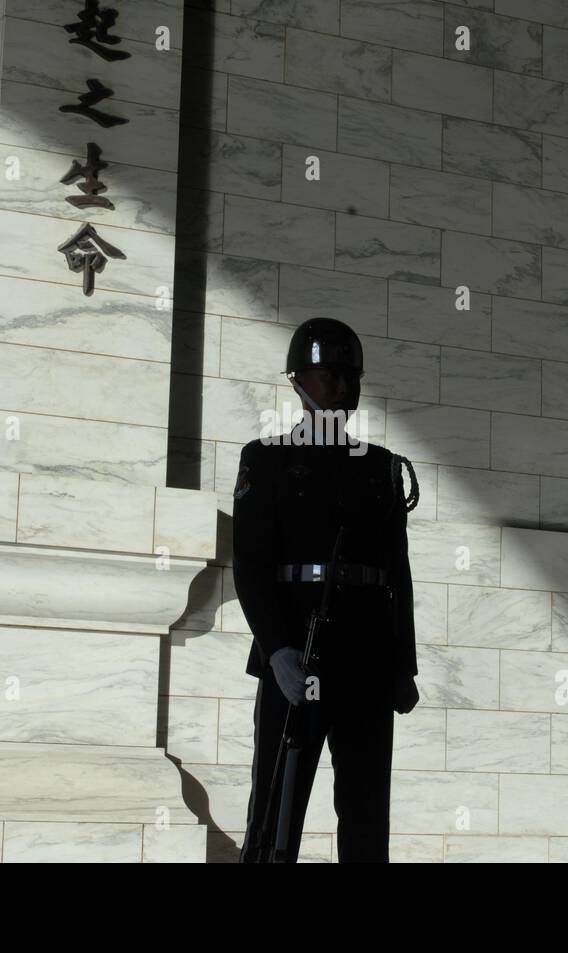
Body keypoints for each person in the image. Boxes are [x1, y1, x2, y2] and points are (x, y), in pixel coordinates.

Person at [232, 316, 420, 863]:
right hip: (297, 658)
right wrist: (277, 651)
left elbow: (397, 578)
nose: (341, 387)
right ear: (298, 381)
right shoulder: (267, 459)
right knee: (275, 811)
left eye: (348, 375)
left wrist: (403, 666)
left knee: (365, 818)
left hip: (366, 662)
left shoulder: (381, 467)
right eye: (326, 375)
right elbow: (250, 563)